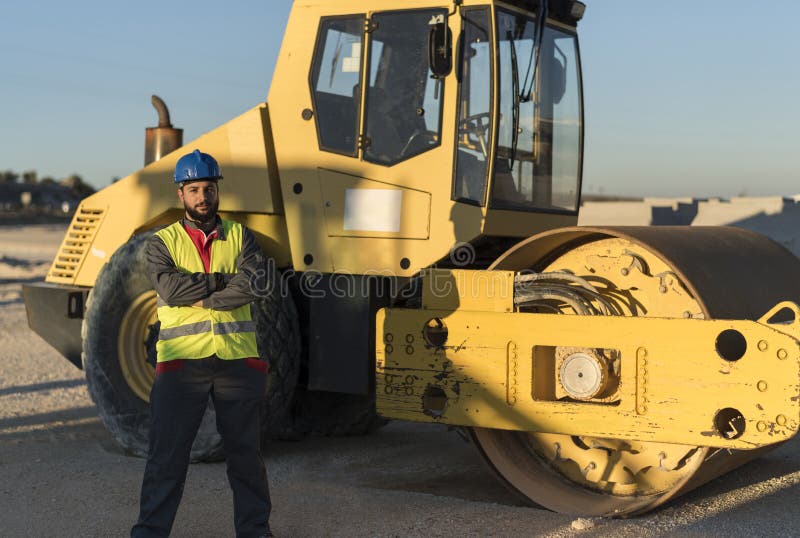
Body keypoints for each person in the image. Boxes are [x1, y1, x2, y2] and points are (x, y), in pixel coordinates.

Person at [131, 149, 274, 538]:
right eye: (193, 189)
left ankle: (255, 531)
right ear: (180, 194)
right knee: (167, 457)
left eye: (208, 188)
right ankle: (149, 532)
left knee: (246, 457)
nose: (202, 197)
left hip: (237, 361)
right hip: (181, 365)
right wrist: (224, 284)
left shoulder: (241, 236)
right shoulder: (161, 242)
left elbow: (256, 284)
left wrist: (201, 294)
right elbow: (171, 289)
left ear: (217, 191)